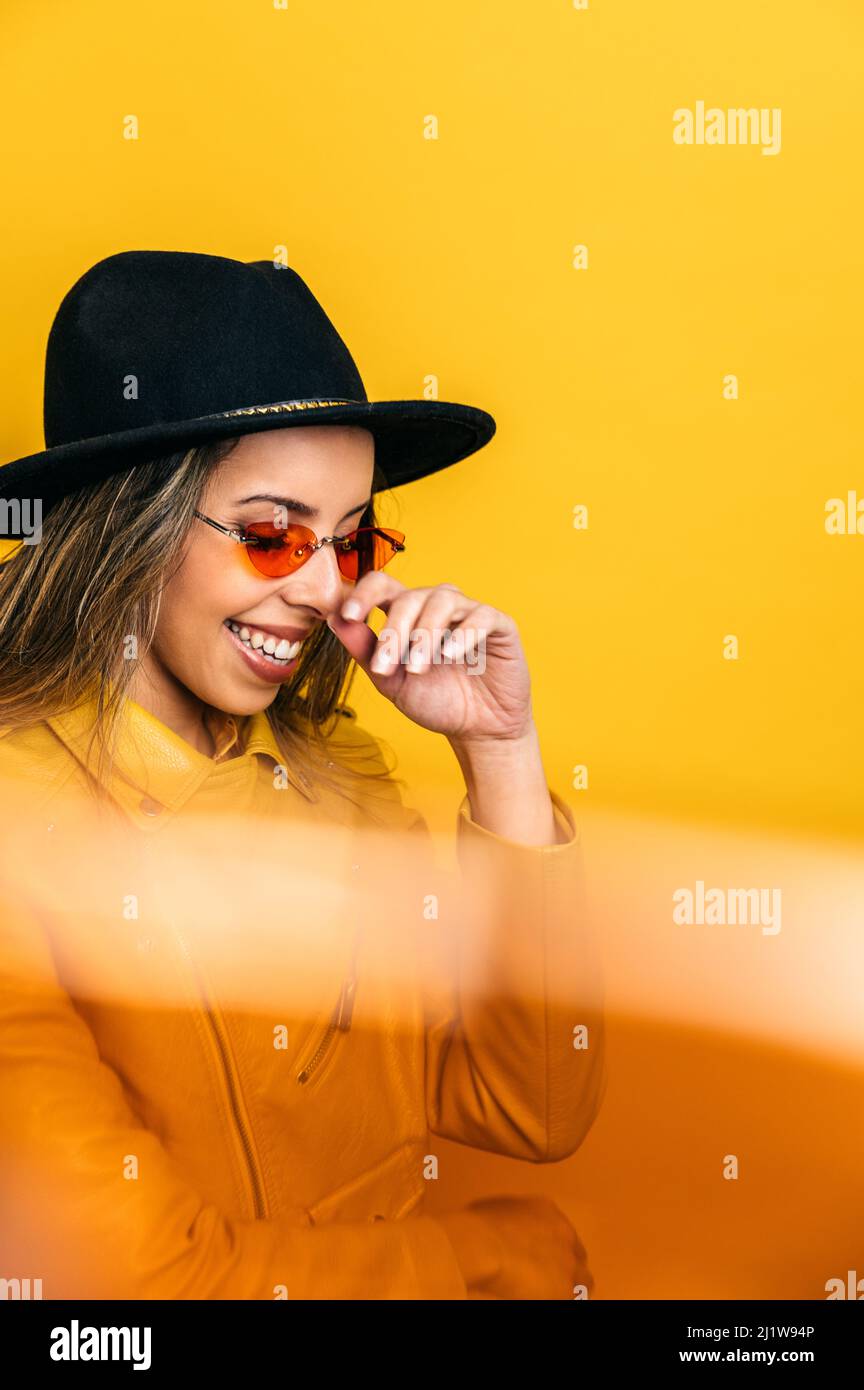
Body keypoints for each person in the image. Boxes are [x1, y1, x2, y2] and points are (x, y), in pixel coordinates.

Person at [0, 250, 607, 1299]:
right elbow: (134, 1289)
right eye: (275, 535)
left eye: (351, 539)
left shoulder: (333, 770)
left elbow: (530, 1108)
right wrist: (477, 1256)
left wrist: (500, 751)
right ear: (128, 524)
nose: (329, 590)